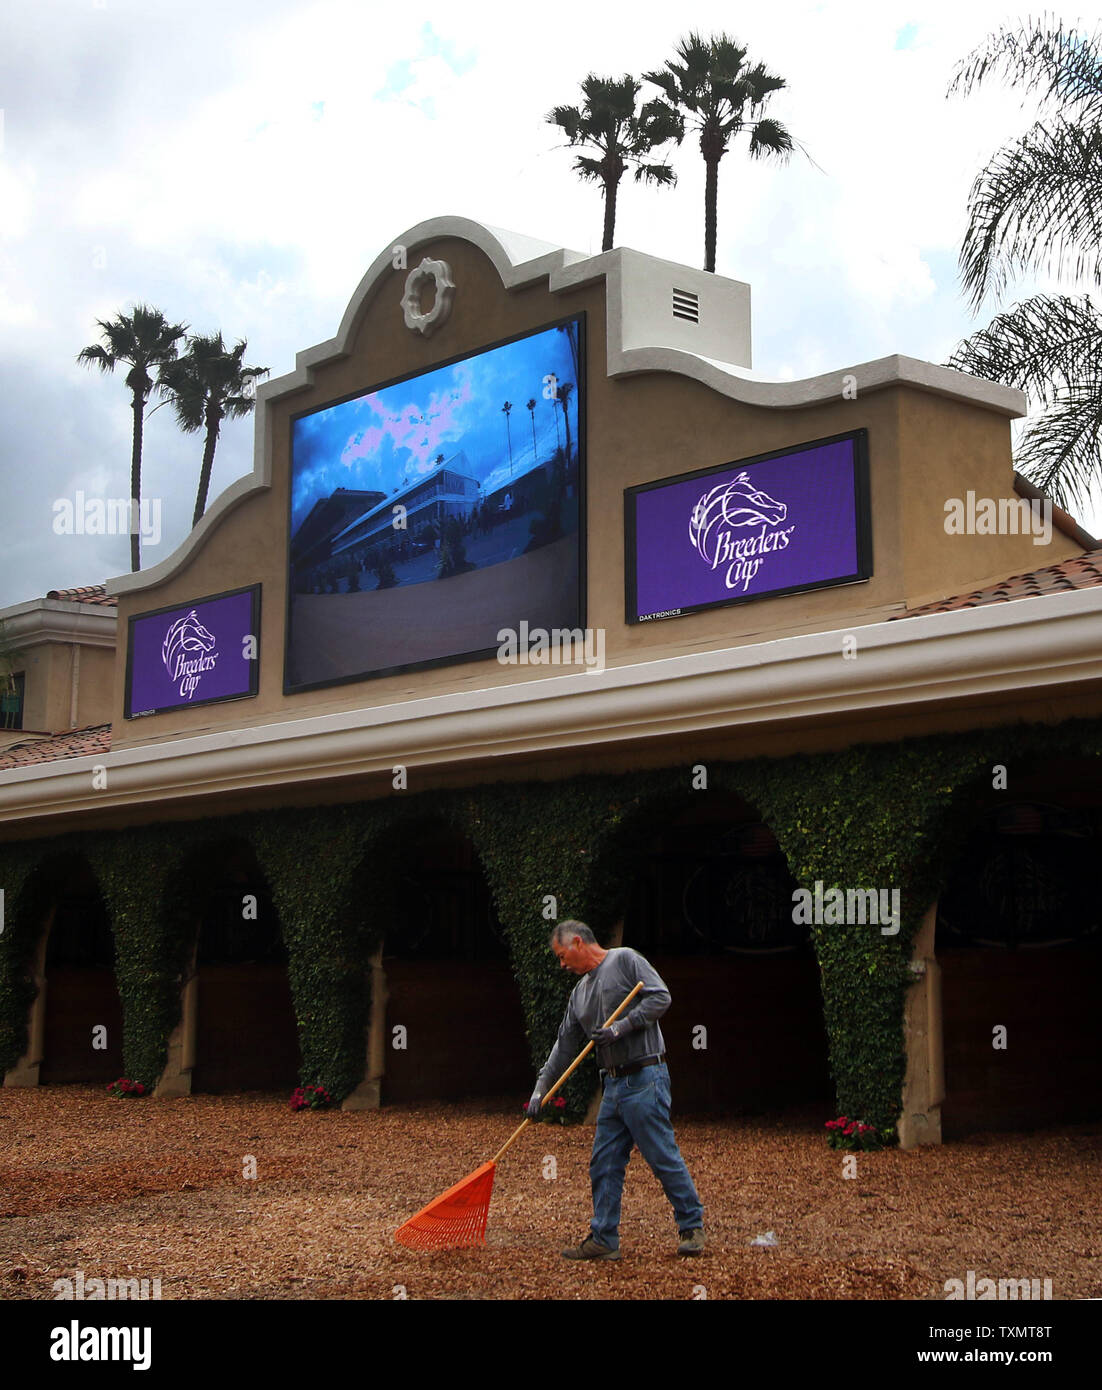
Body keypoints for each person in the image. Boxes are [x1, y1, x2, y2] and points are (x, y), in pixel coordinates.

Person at [527, 920, 706, 1260]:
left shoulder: (625, 960)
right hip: (611, 1084)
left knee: (660, 1154)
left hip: (644, 1077)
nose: (562, 965)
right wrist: (540, 1089)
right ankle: (604, 1238)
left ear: (578, 942)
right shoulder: (579, 994)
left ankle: (691, 1226)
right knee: (604, 1162)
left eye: (563, 956)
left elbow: (661, 997)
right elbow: (564, 1045)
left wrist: (621, 1028)